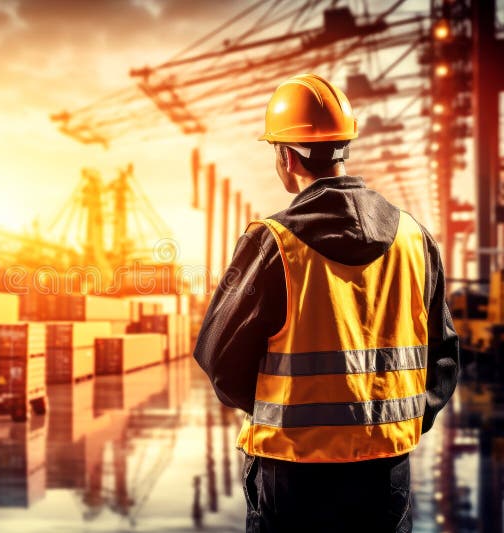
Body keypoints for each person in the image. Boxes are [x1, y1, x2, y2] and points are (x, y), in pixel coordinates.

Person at [193, 73, 459, 533]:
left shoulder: (272, 243)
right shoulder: (416, 240)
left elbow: (218, 357)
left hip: (293, 474)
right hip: (386, 473)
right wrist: (394, 425)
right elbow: (445, 359)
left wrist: (277, 407)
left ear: (285, 155)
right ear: (343, 148)